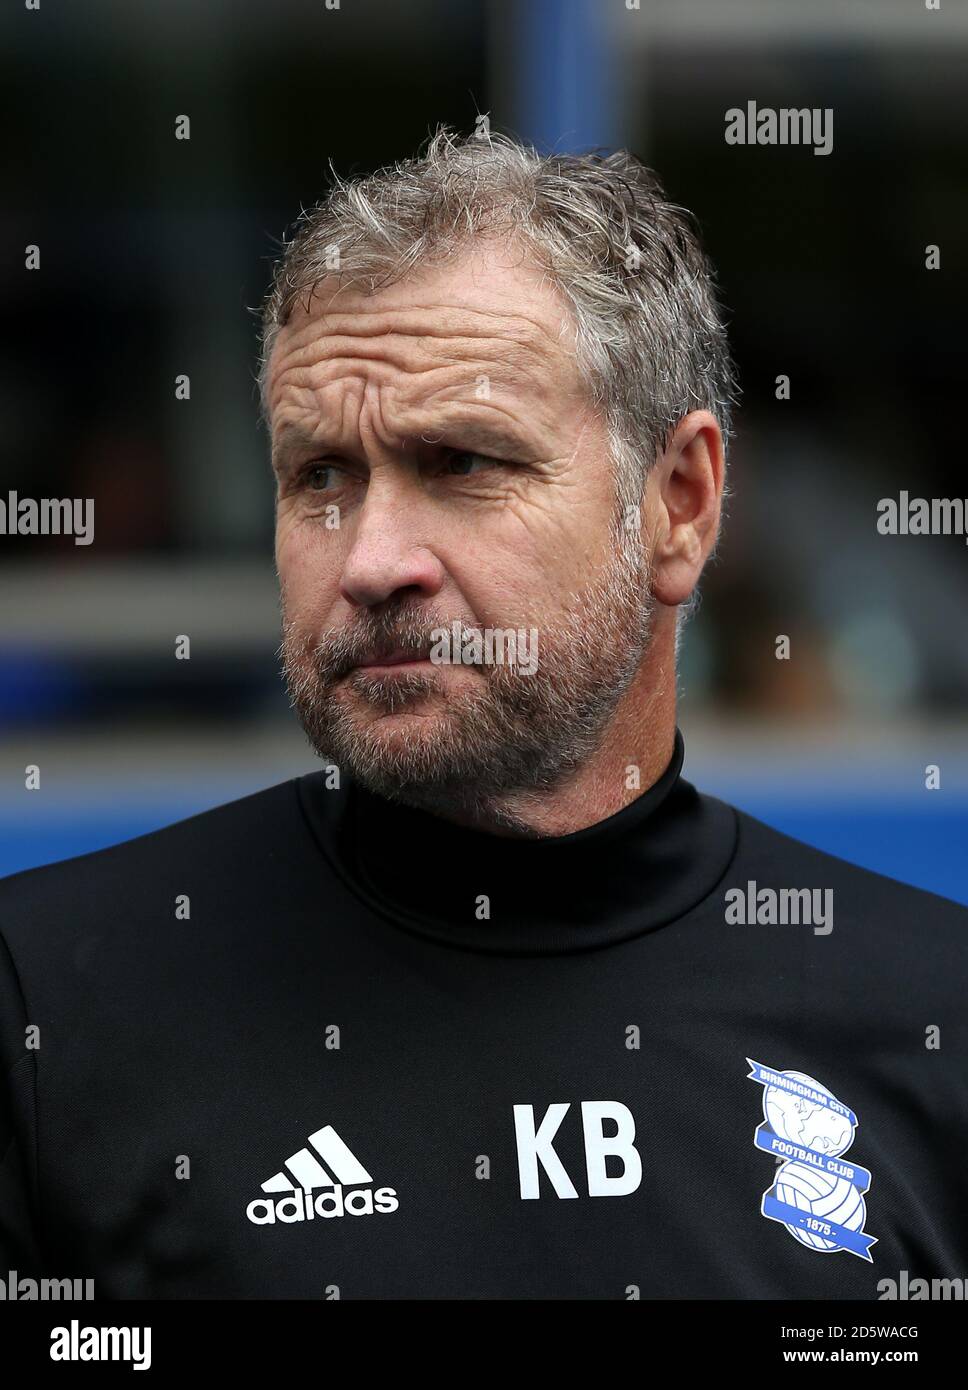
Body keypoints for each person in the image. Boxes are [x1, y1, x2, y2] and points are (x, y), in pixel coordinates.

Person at [1, 128, 965, 1300]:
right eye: (318, 476)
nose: (370, 561)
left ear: (679, 504)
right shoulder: (49, 1007)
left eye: (461, 462)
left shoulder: (927, 1019)